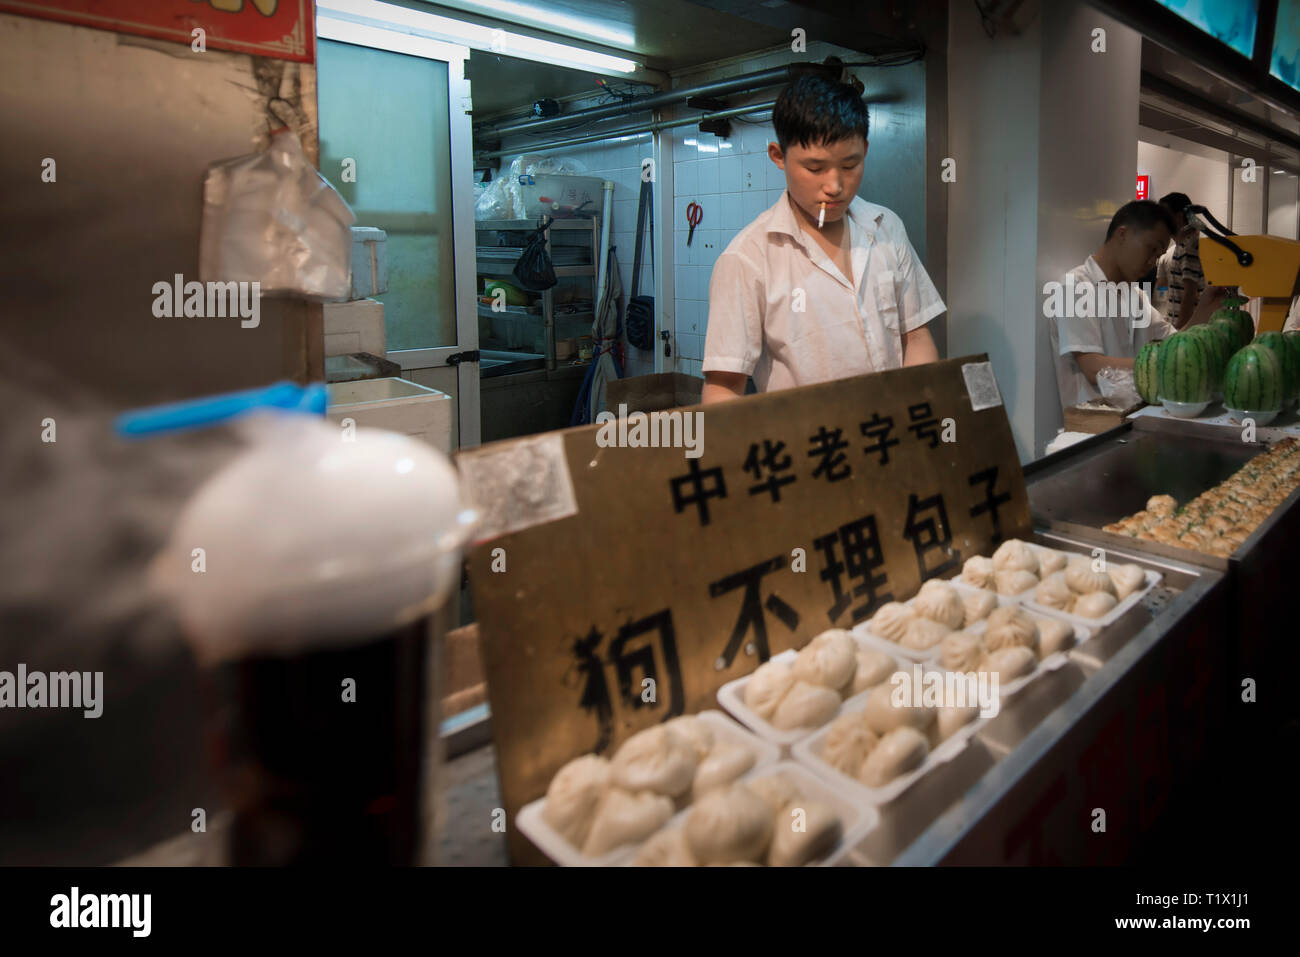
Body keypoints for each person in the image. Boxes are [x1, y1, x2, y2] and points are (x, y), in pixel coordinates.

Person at [701, 74, 945, 403]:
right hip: (809, 448)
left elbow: (915, 337)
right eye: (815, 168)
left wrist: (921, 415)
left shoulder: (887, 227)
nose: (835, 186)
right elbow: (724, 387)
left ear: (865, 150)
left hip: (890, 438)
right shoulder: (747, 259)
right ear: (778, 155)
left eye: (850, 164)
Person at [1049, 200, 1224, 411]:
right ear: (1122, 234)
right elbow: (1092, 366)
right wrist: (1161, 363)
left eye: (1159, 255)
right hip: (1091, 430)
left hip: (1133, 420)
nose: (1153, 261)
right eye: (1151, 249)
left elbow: (1173, 343)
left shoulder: (1136, 296)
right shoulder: (1074, 288)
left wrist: (1204, 309)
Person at [1157, 191, 1208, 329]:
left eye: (1165, 217)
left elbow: (1190, 293)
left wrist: (1179, 329)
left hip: (1189, 329)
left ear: (1179, 217)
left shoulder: (1189, 246)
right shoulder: (1183, 245)